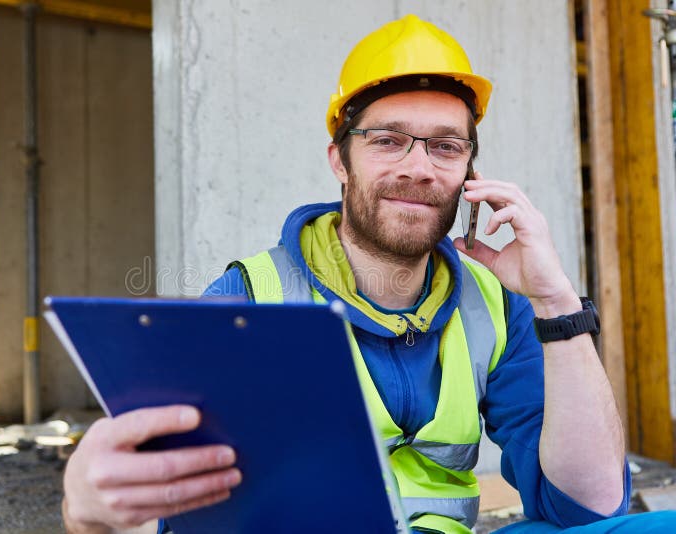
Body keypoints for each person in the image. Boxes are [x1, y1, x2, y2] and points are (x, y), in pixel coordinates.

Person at [62, 14, 676, 533]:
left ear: (470, 174)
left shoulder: (497, 301)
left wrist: (554, 298)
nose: (419, 167)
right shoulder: (250, 297)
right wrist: (85, 510)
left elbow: (589, 504)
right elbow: (175, 499)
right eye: (388, 140)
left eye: (445, 146)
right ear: (340, 160)